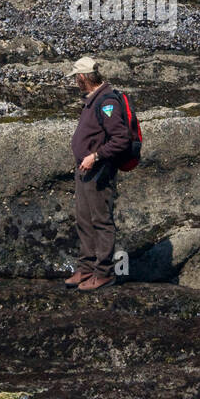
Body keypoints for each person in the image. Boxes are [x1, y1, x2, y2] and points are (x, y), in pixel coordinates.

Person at [66, 56, 131, 292]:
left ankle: (103, 273)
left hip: (99, 169)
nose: (74, 81)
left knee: (101, 220)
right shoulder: (92, 99)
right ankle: (86, 268)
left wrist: (95, 156)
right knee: (84, 218)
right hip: (85, 169)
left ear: (83, 78)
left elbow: (121, 139)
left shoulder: (107, 101)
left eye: (76, 77)